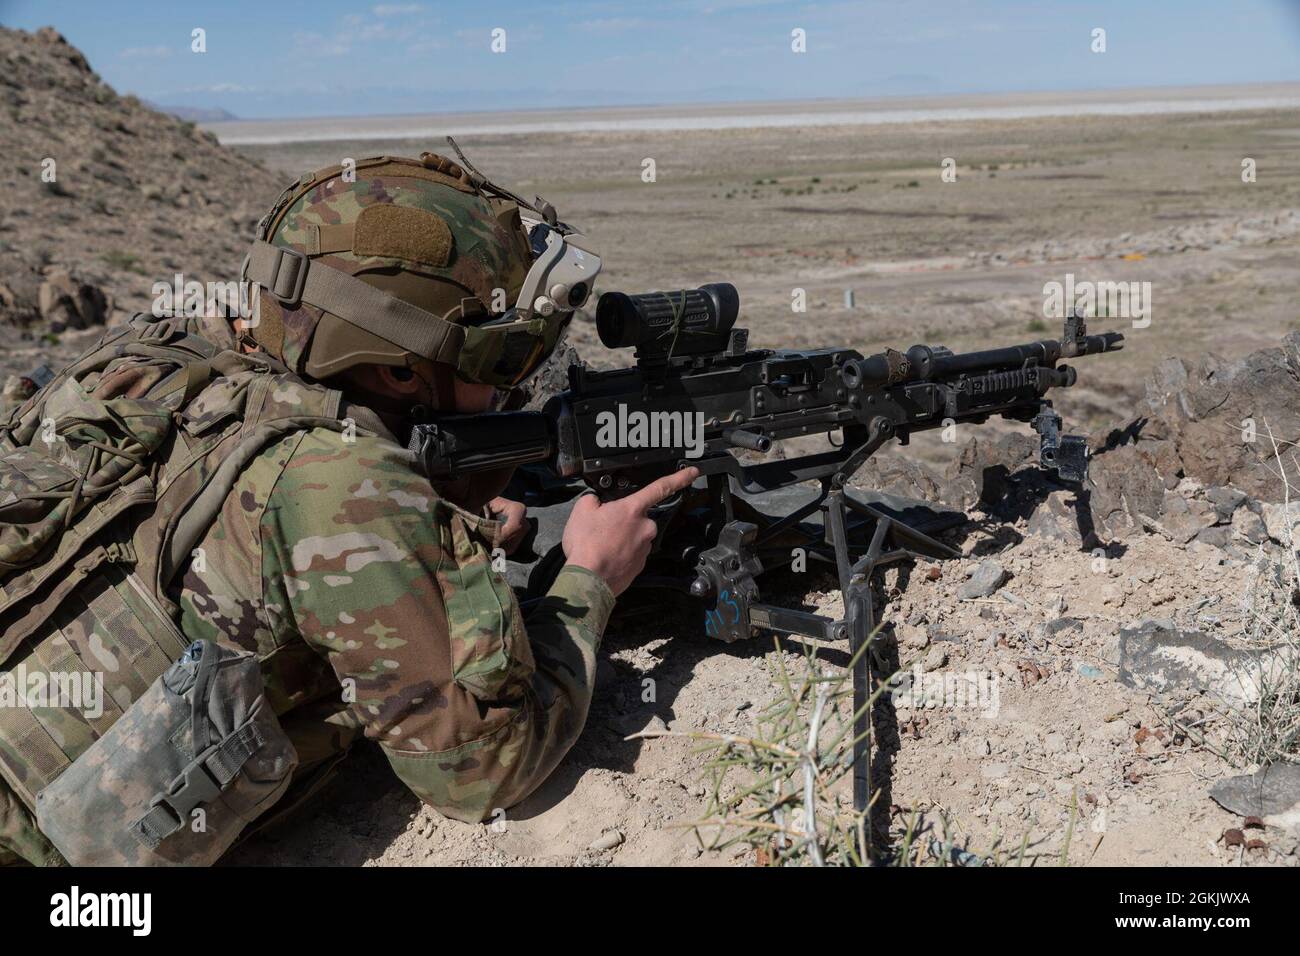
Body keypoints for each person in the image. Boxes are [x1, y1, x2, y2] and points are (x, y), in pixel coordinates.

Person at [0, 150, 697, 865]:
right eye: (498, 364)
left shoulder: (155, 359)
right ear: (400, 365)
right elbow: (482, 772)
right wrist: (589, 578)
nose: (510, 391)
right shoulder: (338, 479)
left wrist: (442, 516)